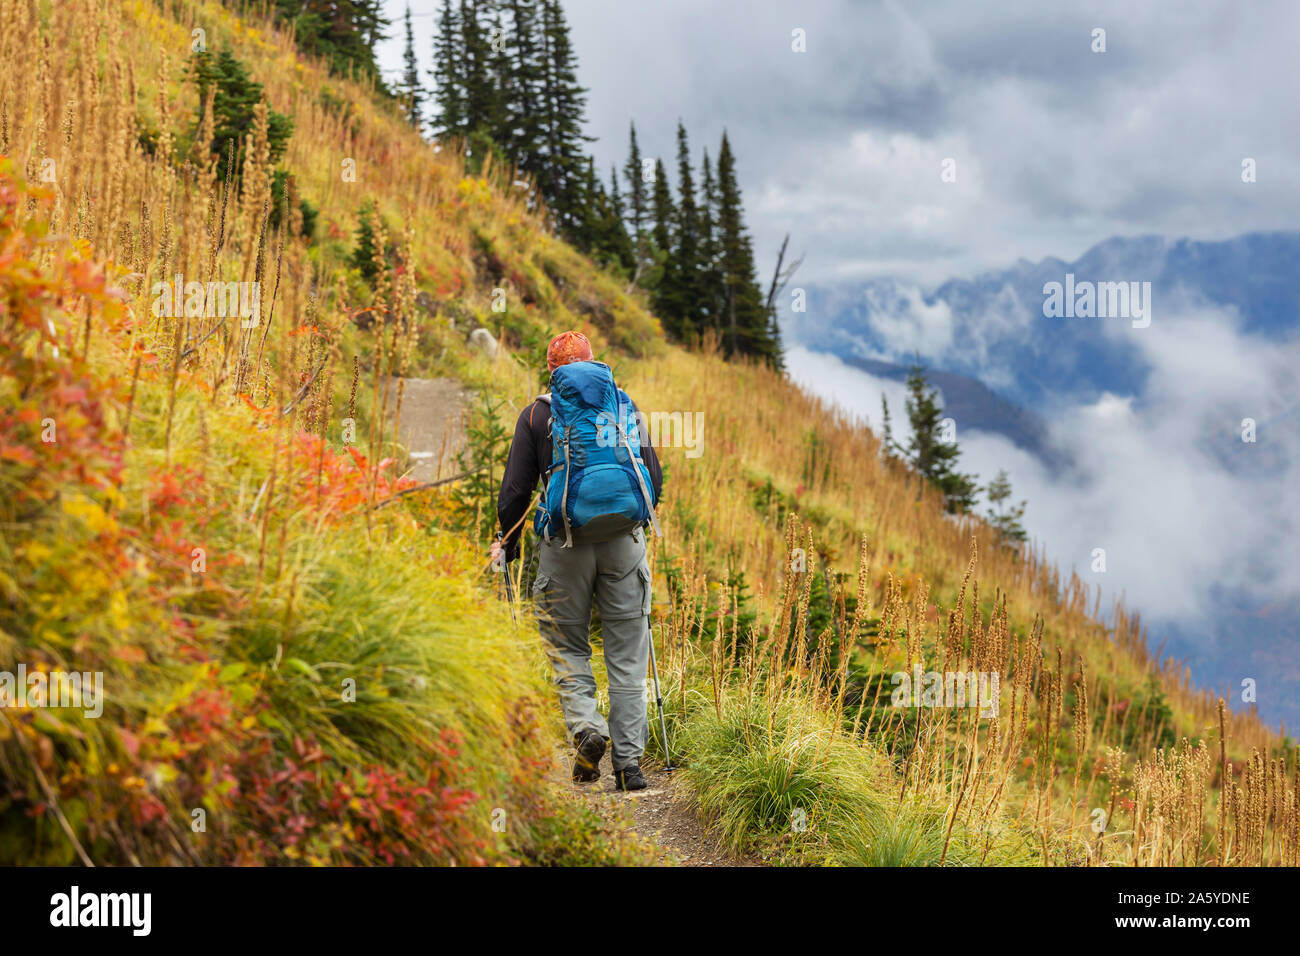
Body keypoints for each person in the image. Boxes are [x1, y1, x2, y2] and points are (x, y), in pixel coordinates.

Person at [491, 331, 663, 791]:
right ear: (596, 363)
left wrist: (505, 546)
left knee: (567, 645)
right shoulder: (624, 405)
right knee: (626, 656)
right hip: (624, 542)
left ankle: (588, 730)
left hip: (565, 546)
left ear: (551, 371)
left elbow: (514, 494)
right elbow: (654, 478)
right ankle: (630, 768)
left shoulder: (536, 415)